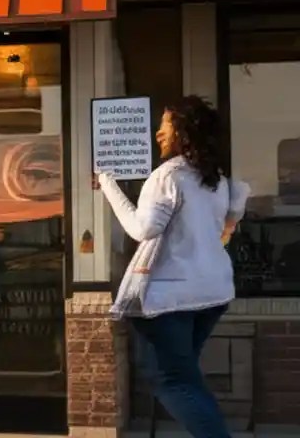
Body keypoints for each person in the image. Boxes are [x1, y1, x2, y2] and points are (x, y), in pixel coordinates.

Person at [98, 96, 249, 438]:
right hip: (211, 294)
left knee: (171, 381)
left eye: (164, 126)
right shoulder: (215, 179)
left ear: (182, 132)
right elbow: (222, 233)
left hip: (170, 298)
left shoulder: (167, 176)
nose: (157, 134)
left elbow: (142, 229)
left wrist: (108, 184)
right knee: (186, 379)